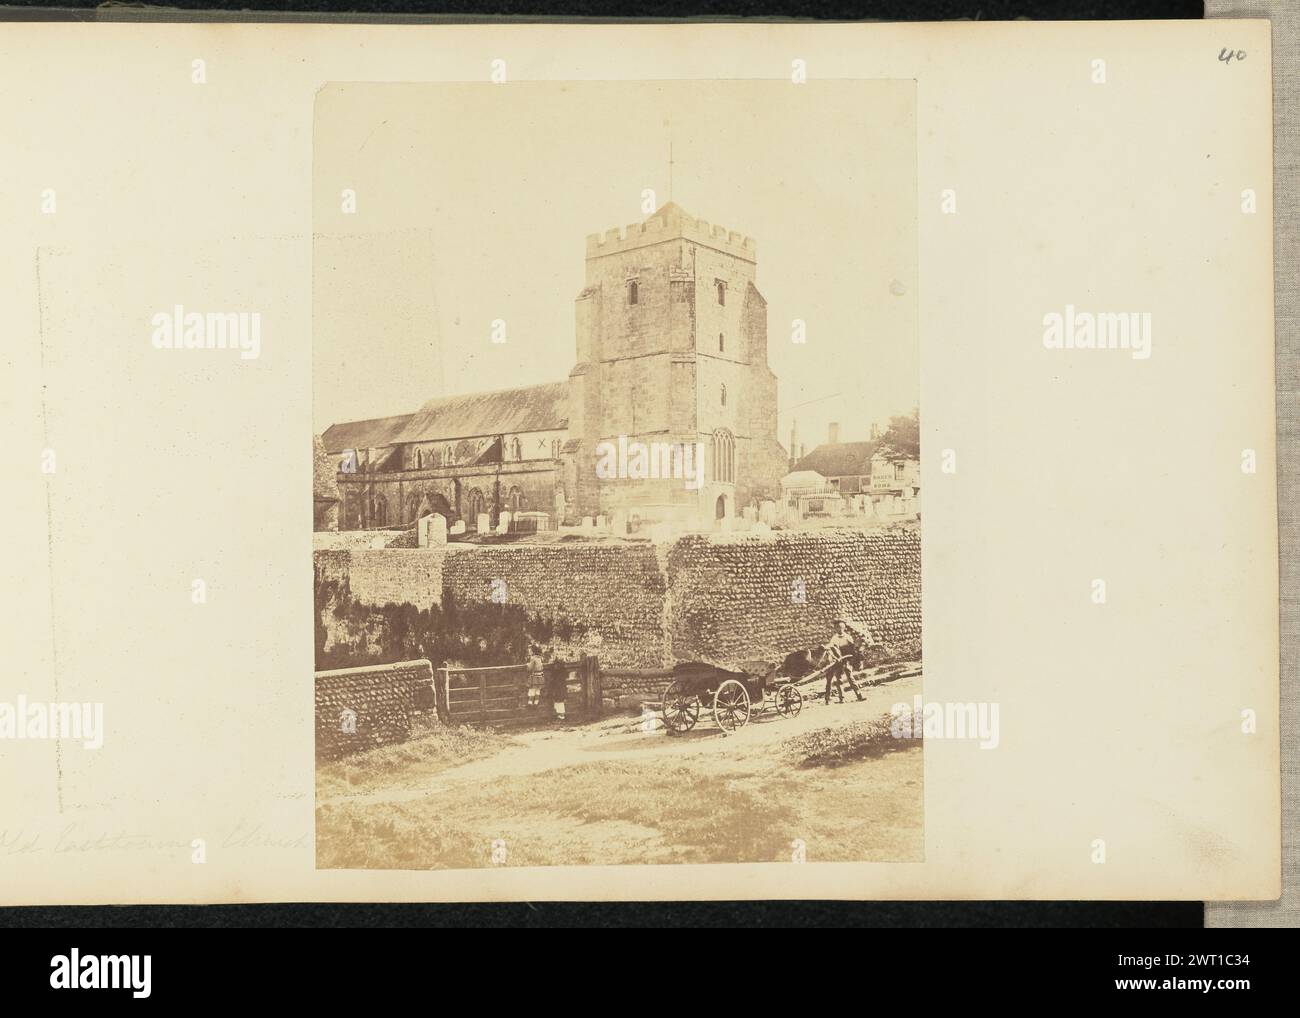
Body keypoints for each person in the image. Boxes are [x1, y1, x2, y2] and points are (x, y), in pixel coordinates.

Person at [823, 619, 865, 705]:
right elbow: (832, 648)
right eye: (837, 627)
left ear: (844, 628)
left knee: (851, 678)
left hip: (846, 660)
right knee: (839, 680)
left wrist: (851, 658)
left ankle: (859, 695)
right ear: (835, 629)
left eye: (841, 627)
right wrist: (829, 650)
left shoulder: (848, 637)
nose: (839, 629)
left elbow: (852, 648)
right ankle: (841, 698)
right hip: (838, 661)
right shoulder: (834, 638)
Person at [543, 650, 568, 724]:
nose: (556, 667)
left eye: (557, 665)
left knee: (560, 701)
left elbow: (562, 680)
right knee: (557, 701)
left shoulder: (561, 672)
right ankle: (559, 717)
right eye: (555, 665)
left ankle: (562, 717)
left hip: (560, 688)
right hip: (556, 688)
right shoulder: (555, 672)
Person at [524, 643, 544, 708]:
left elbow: (529, 668)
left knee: (532, 689)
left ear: (533, 651)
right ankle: (536, 703)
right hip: (540, 676)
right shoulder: (540, 658)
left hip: (535, 676)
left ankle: (530, 703)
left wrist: (527, 664)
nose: (530, 652)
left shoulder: (533, 658)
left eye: (530, 651)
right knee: (537, 690)